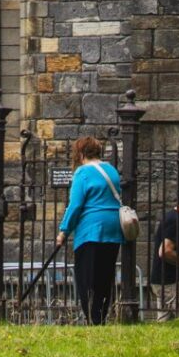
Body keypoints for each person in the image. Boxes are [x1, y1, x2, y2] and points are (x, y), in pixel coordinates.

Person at [54, 136, 125, 324]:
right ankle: (100, 316)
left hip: (91, 231)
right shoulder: (111, 170)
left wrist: (64, 231)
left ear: (81, 153)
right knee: (105, 276)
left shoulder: (82, 173)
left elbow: (75, 205)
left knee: (86, 277)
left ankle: (92, 319)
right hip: (113, 229)